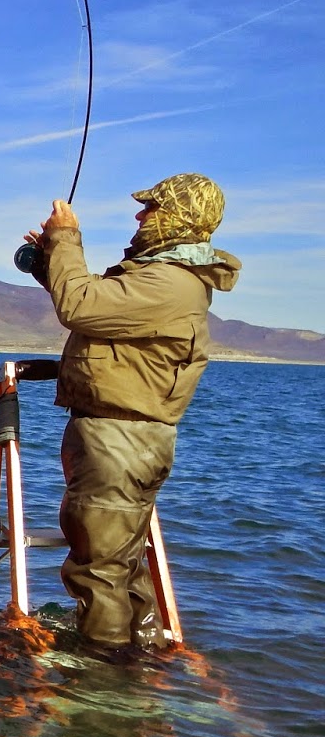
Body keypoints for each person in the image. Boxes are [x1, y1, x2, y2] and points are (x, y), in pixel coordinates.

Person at [22, 174, 240, 656]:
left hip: (118, 443)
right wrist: (51, 261)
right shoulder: (165, 279)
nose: (140, 216)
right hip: (127, 440)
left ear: (178, 217)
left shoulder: (168, 283)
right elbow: (99, 308)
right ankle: (141, 658)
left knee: (98, 570)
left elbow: (80, 306)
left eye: (152, 209)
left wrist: (66, 238)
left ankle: (102, 673)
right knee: (121, 564)